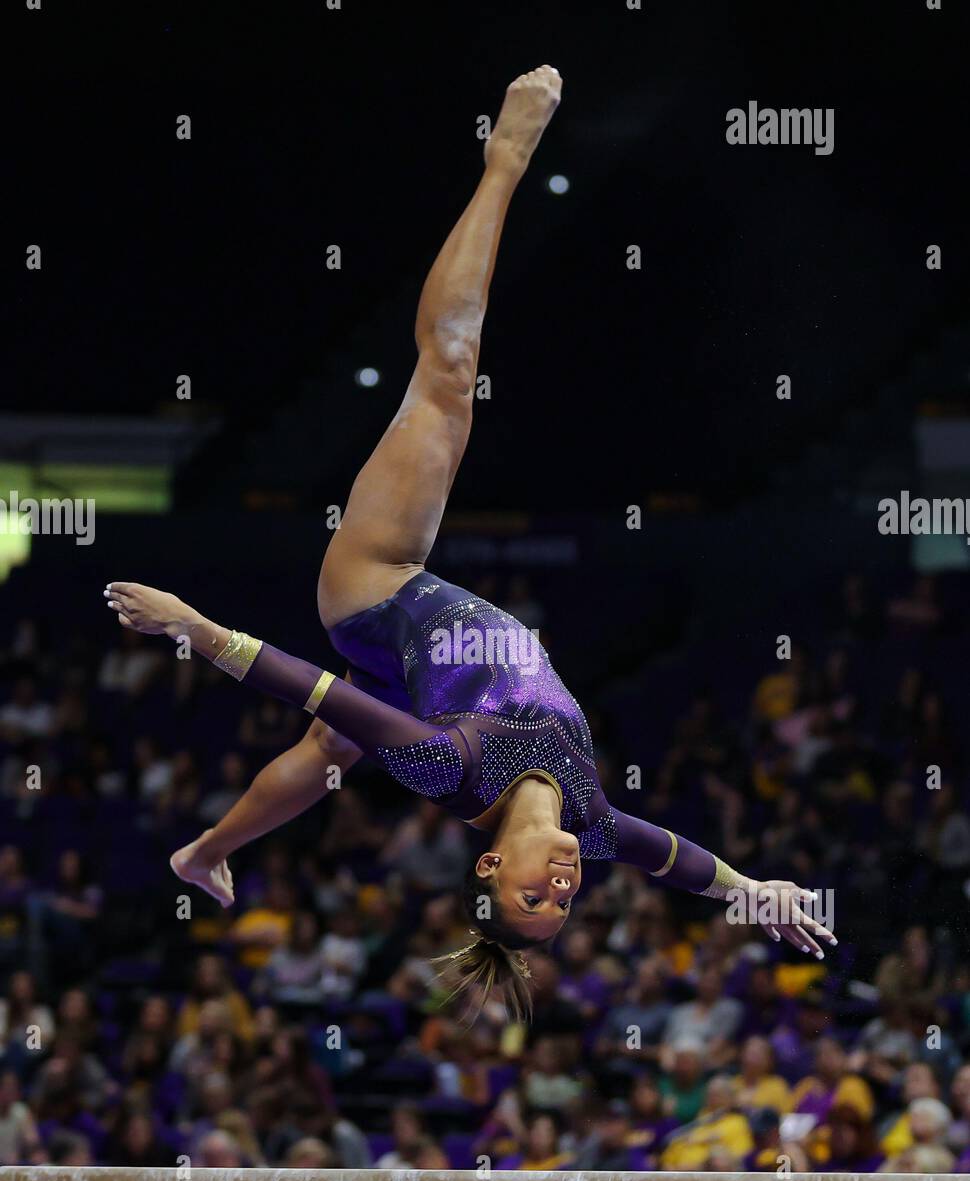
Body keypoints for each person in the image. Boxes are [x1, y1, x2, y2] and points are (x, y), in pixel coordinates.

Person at [103, 67, 832, 1013]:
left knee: (448, 373)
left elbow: (307, 681)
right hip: (408, 667)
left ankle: (504, 162)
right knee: (326, 758)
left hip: (377, 590)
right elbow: (690, 867)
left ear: (490, 861)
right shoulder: (596, 822)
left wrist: (191, 626)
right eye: (562, 905)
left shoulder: (446, 768)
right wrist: (754, 894)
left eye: (533, 893)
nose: (564, 885)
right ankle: (204, 852)